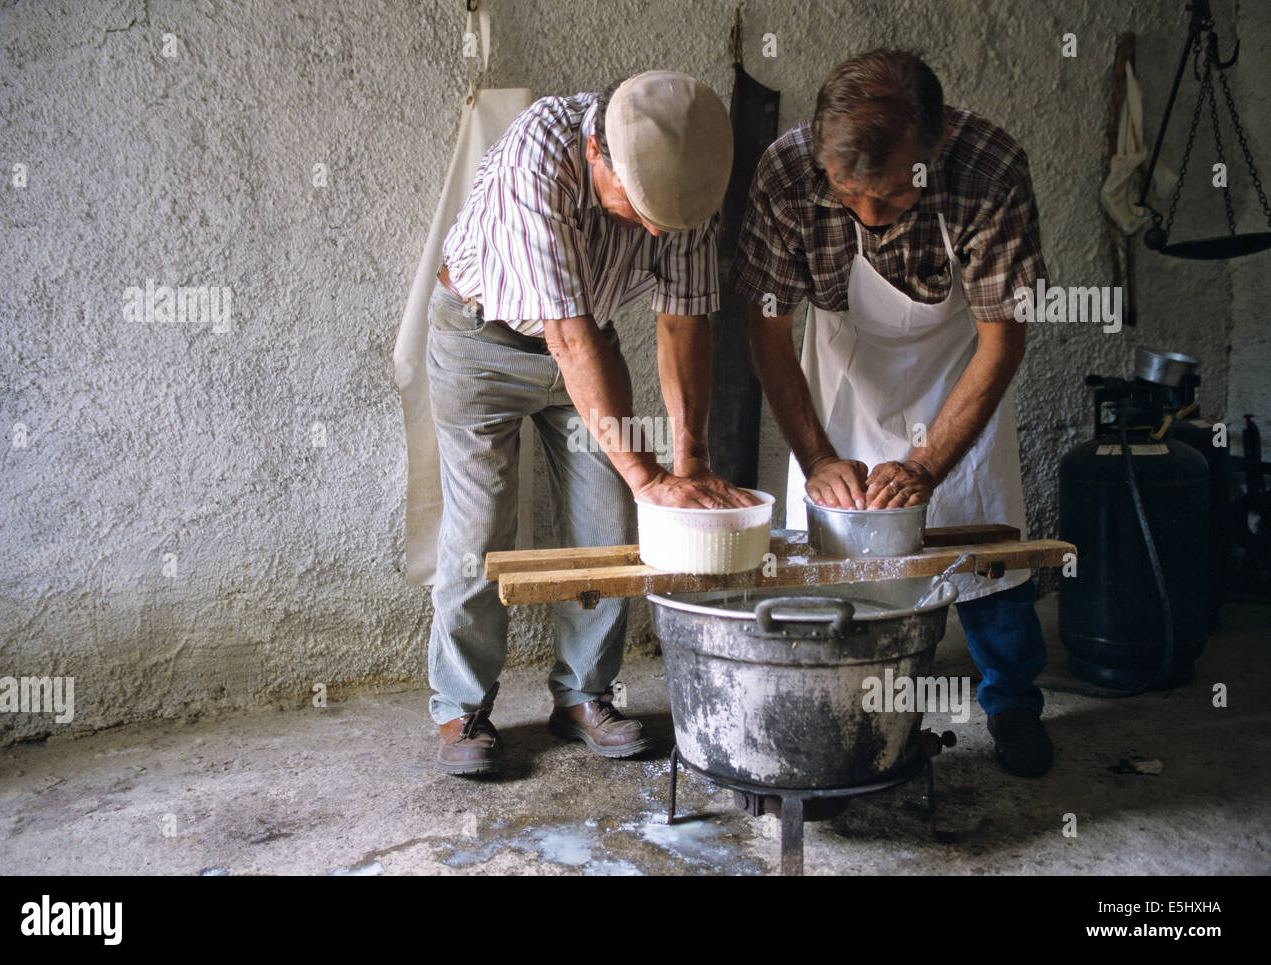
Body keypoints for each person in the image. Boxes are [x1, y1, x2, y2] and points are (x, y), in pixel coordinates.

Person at [735, 49, 1055, 777]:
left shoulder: (989, 168)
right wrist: (818, 456)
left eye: (890, 200)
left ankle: (1011, 702)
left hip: (955, 369)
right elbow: (767, 329)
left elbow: (1004, 337)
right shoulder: (786, 174)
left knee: (986, 551)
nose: (868, 217)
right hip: (841, 375)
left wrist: (929, 462)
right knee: (831, 562)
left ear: (935, 147)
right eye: (849, 197)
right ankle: (832, 698)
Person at [428, 70, 754, 775]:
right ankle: (461, 709)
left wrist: (688, 462)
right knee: (479, 525)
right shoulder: (537, 156)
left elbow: (682, 321)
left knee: (609, 521)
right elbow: (565, 336)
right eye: (636, 213)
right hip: (480, 341)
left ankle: (582, 695)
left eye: (662, 226)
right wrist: (646, 472)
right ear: (596, 151)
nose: (648, 231)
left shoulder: (689, 185)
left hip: (588, 338)